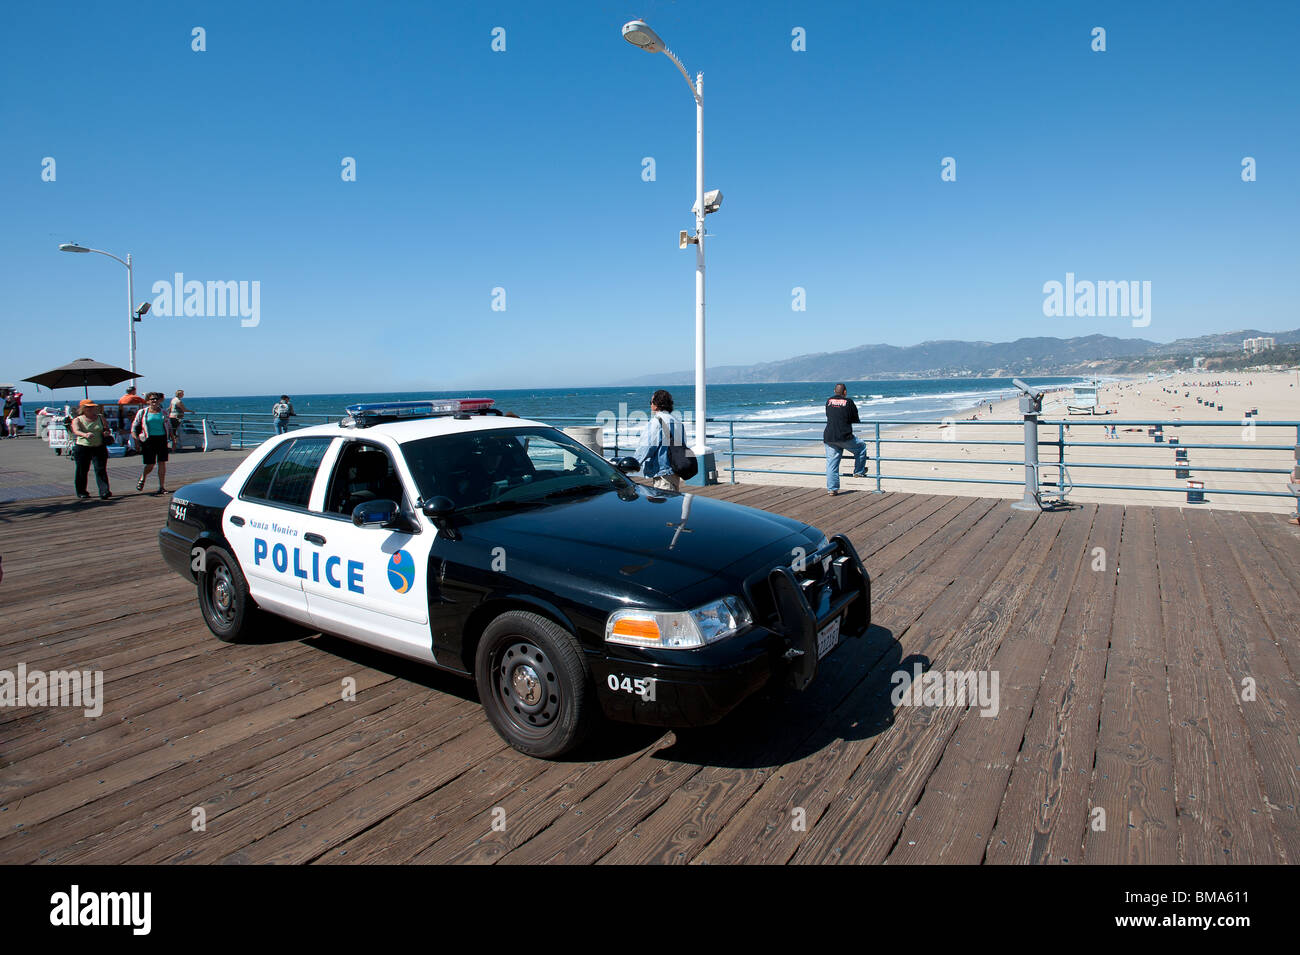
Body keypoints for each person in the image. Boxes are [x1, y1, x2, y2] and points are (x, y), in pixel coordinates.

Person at [634, 389, 684, 492]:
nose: (650, 405)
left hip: (663, 473)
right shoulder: (677, 421)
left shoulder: (656, 422)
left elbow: (647, 447)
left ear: (656, 404)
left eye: (651, 402)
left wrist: (633, 464)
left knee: (664, 503)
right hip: (675, 471)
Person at [824, 383, 868, 496]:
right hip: (844, 435)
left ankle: (832, 489)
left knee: (832, 464)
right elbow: (855, 418)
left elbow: (828, 415)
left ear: (834, 391)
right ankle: (858, 471)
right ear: (845, 392)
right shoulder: (849, 402)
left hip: (829, 436)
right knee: (861, 447)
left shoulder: (828, 401)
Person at [132, 392, 174, 494]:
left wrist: (173, 438)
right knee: (150, 464)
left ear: (159, 400)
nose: (154, 401)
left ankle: (161, 487)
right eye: (152, 399)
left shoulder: (163, 412)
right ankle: (143, 477)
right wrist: (136, 440)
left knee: (162, 463)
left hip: (162, 439)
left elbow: (169, 426)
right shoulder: (142, 412)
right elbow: (134, 426)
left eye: (156, 399)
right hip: (148, 440)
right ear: (147, 401)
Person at [70, 399, 112, 500]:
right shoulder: (78, 419)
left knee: (100, 469)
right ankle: (81, 491)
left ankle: (104, 491)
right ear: (83, 409)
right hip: (83, 447)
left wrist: (106, 432)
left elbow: (106, 428)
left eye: (92, 407)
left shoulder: (100, 417)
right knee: (82, 470)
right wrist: (85, 434)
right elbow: (76, 431)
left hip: (99, 446)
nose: (91, 409)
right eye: (88, 407)